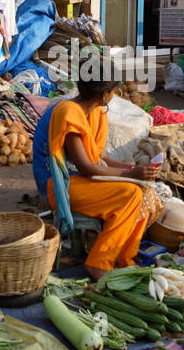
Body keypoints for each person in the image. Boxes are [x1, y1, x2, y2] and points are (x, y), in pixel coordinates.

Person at [32, 74, 161, 280]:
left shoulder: (91, 111)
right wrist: (130, 174)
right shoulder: (69, 113)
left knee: (143, 193)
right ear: (105, 94)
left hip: (77, 179)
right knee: (131, 195)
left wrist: (128, 168)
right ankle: (99, 263)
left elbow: (100, 156)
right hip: (57, 185)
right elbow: (86, 167)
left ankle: (121, 257)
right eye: (113, 92)